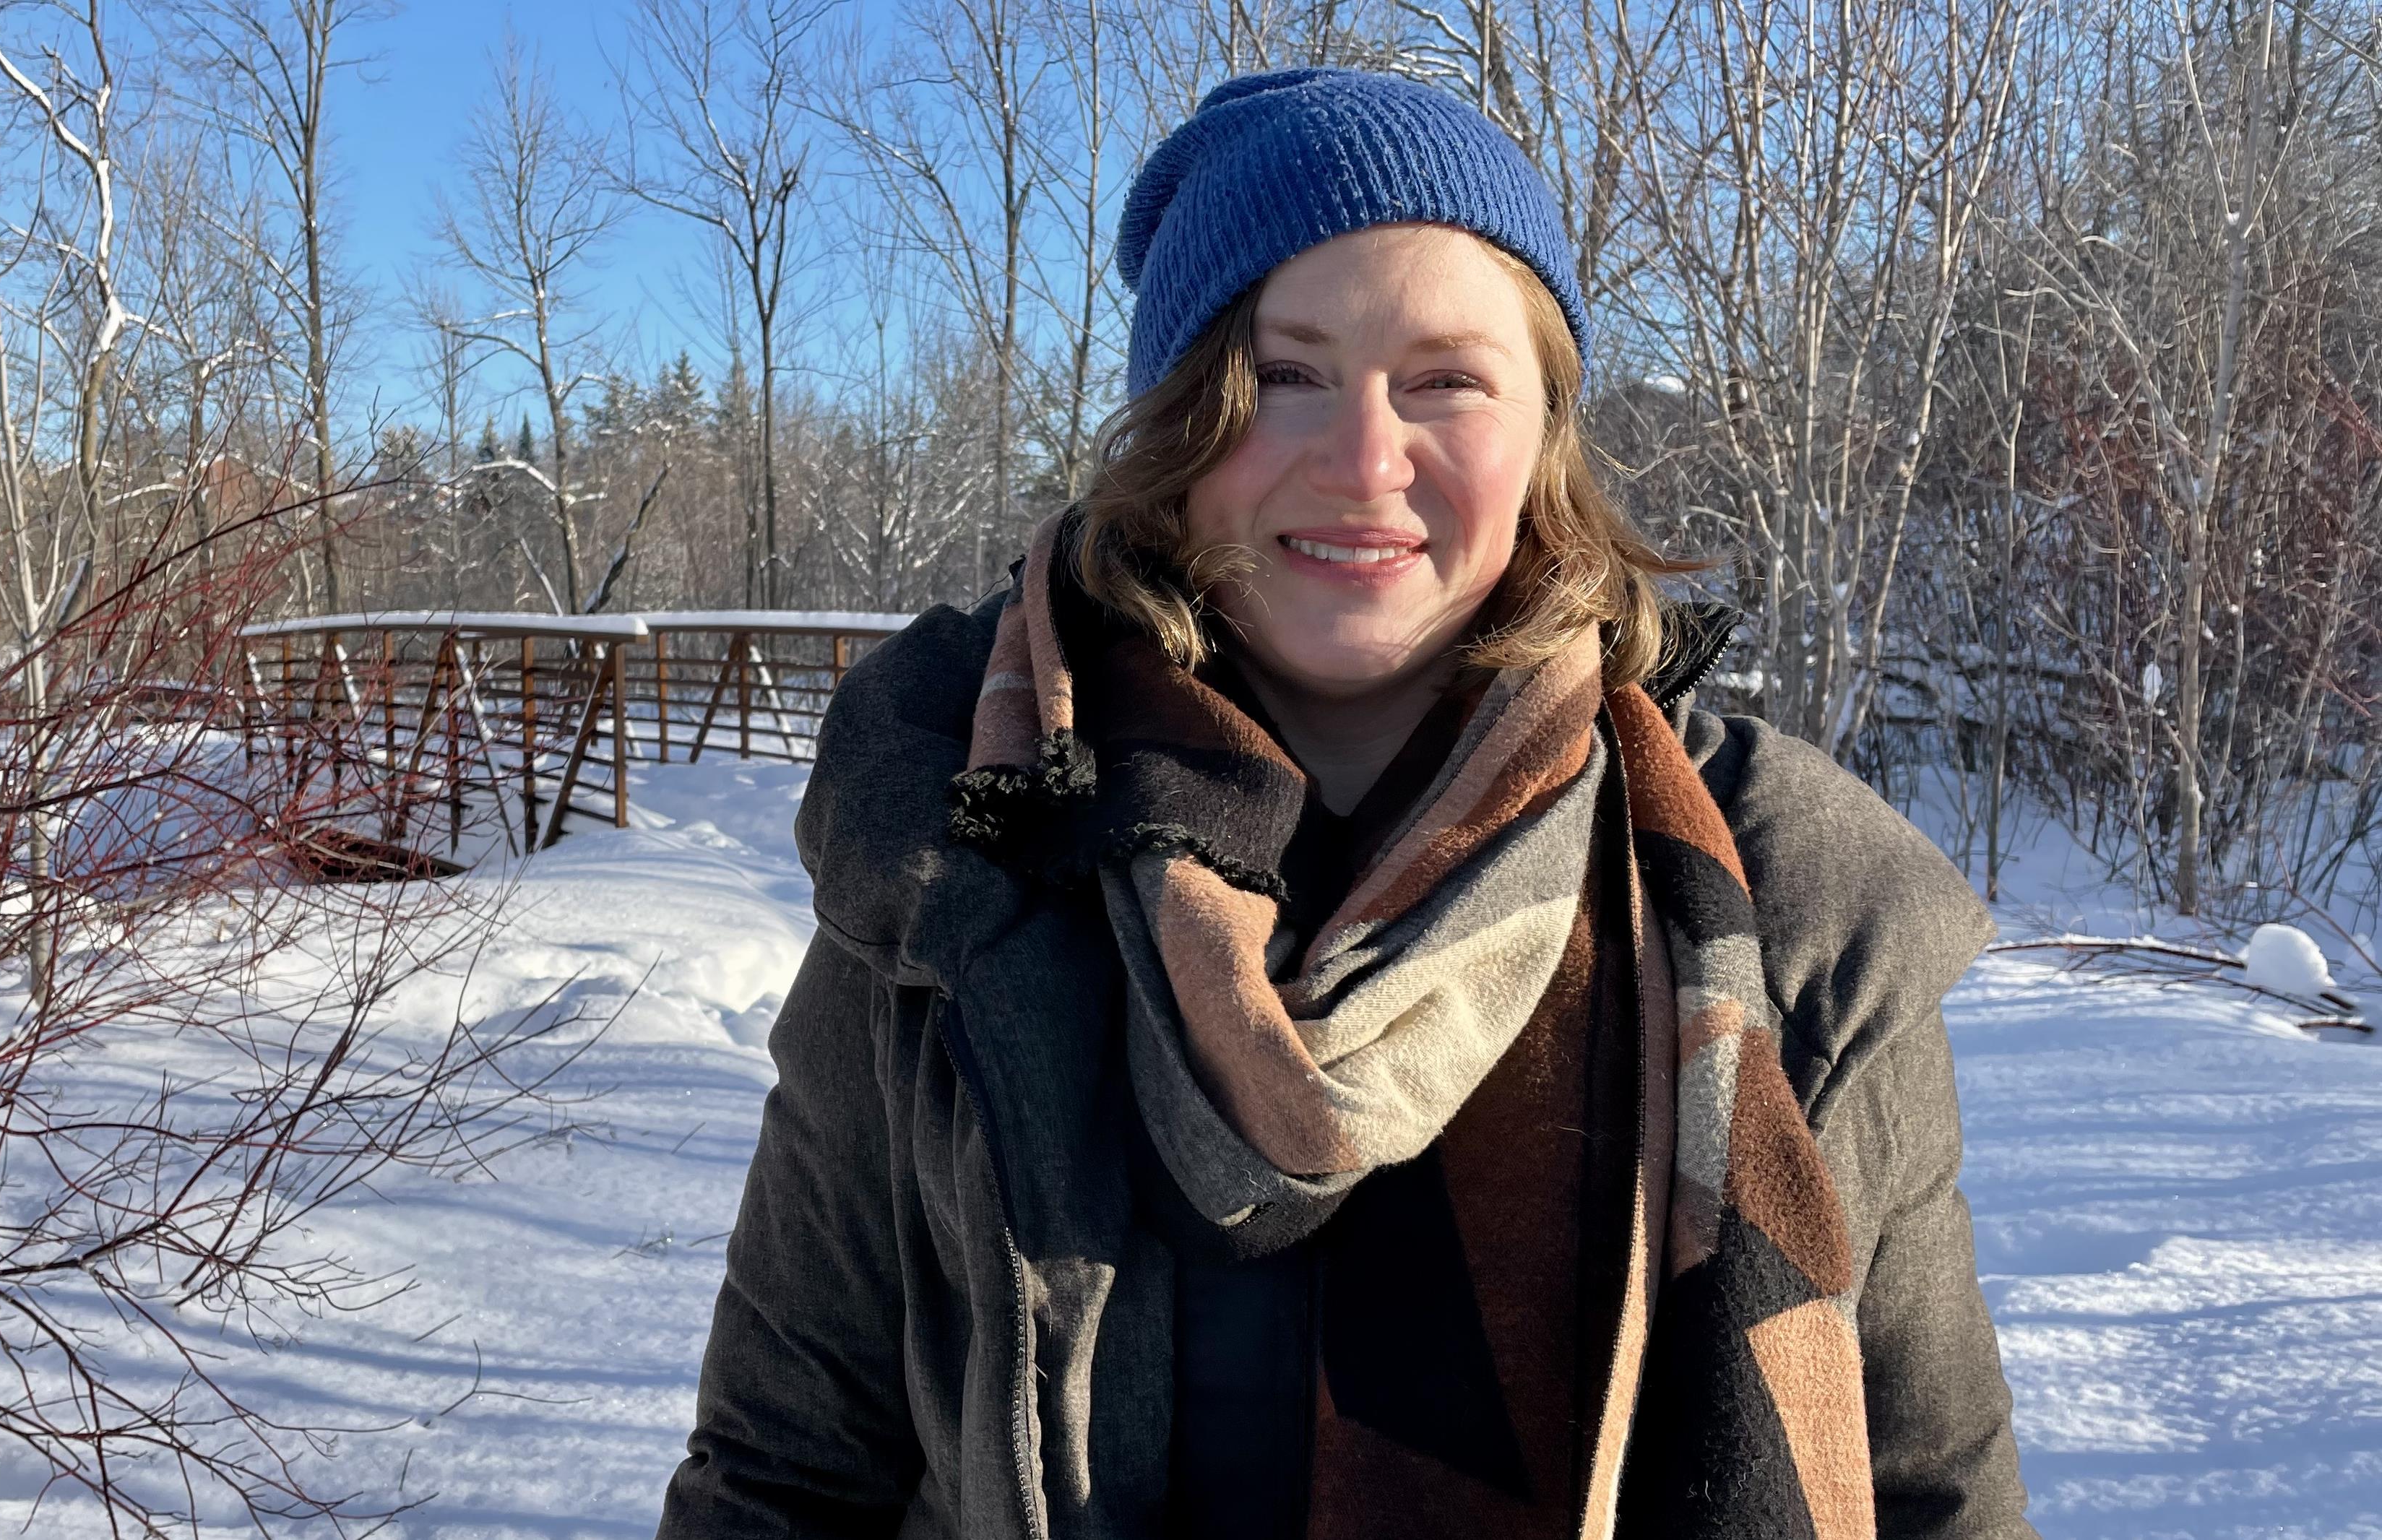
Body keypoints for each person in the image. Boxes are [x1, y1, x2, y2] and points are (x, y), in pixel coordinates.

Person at [657, 66, 2033, 1540]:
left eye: (1446, 378)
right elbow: (784, 1479)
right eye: (1285, 377)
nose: (1368, 461)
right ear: (1180, 431)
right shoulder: (959, 854)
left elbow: (1927, 1496)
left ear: (1545, 428)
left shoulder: (1789, 907)